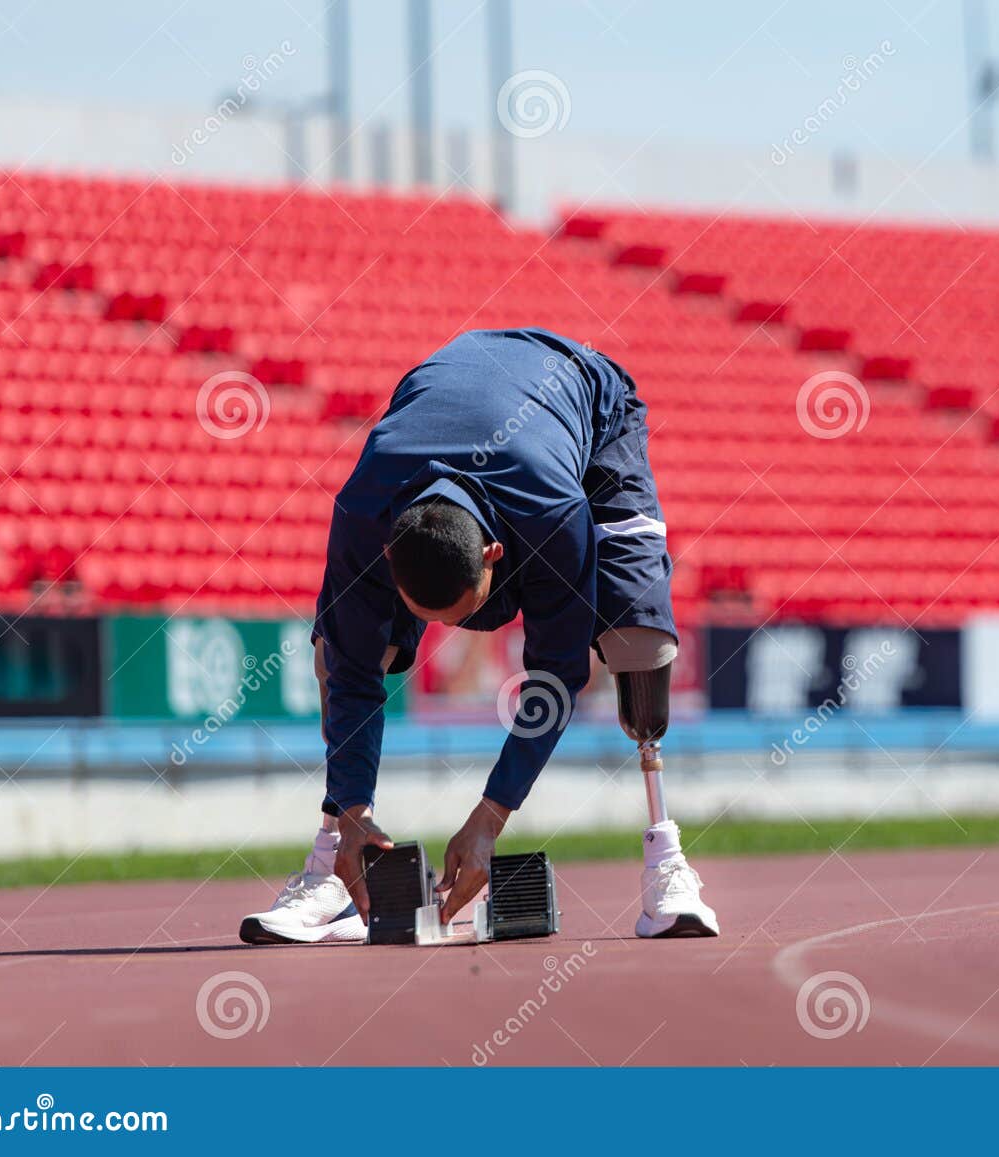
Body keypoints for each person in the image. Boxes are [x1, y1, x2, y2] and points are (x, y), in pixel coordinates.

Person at [238, 327, 719, 944]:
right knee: (340, 653)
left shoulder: (554, 511)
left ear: (495, 556)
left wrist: (490, 817)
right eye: (428, 615)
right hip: (443, 403)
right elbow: (357, 673)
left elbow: (557, 673)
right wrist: (356, 813)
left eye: (461, 611)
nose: (449, 631)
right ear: (388, 555)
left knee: (639, 646)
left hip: (589, 413)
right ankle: (333, 860)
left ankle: (667, 865)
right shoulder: (363, 511)